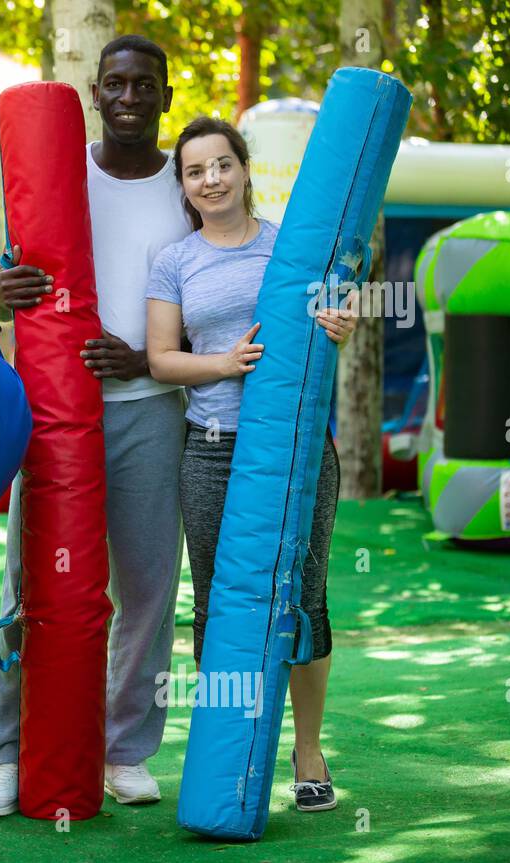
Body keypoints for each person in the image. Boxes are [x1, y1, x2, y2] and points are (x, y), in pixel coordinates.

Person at [0, 35, 192, 816]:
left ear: (165, 93)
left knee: (147, 585)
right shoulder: (61, 169)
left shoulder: (187, 183)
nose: (130, 97)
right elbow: (10, 283)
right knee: (31, 583)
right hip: (54, 413)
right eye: (115, 85)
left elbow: (224, 286)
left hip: (149, 409)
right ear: (95, 95)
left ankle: (125, 747)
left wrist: (155, 357)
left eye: (145, 85)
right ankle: (9, 755)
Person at [145, 116, 357, 812]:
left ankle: (307, 748)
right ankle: (231, 754)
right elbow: (161, 358)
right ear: (183, 184)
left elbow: (326, 326)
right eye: (195, 170)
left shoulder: (287, 251)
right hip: (209, 451)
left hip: (295, 447)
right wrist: (223, 363)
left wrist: (340, 325)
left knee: (303, 593)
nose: (211, 179)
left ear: (243, 168)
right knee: (219, 603)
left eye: (222, 165)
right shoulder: (174, 261)